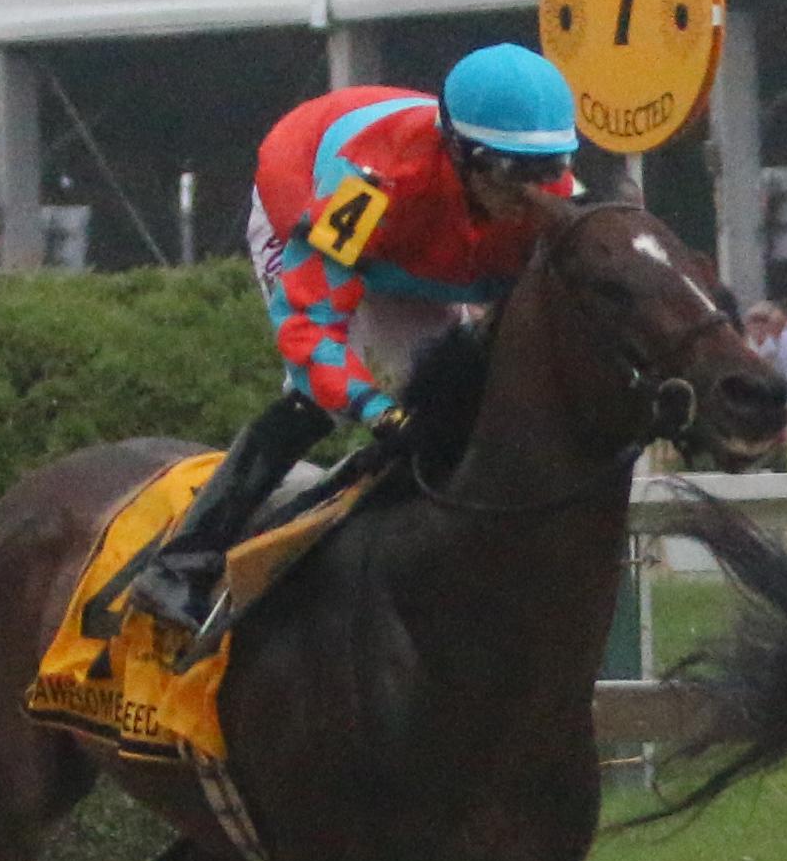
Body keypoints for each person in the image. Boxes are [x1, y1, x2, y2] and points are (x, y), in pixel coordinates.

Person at [111, 42, 580, 642]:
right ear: (461, 154)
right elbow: (311, 332)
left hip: (427, 244)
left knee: (461, 393)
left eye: (552, 168)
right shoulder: (368, 186)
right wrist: (377, 410)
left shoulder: (553, 191)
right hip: (313, 199)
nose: (536, 195)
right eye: (516, 173)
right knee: (322, 395)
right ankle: (181, 563)